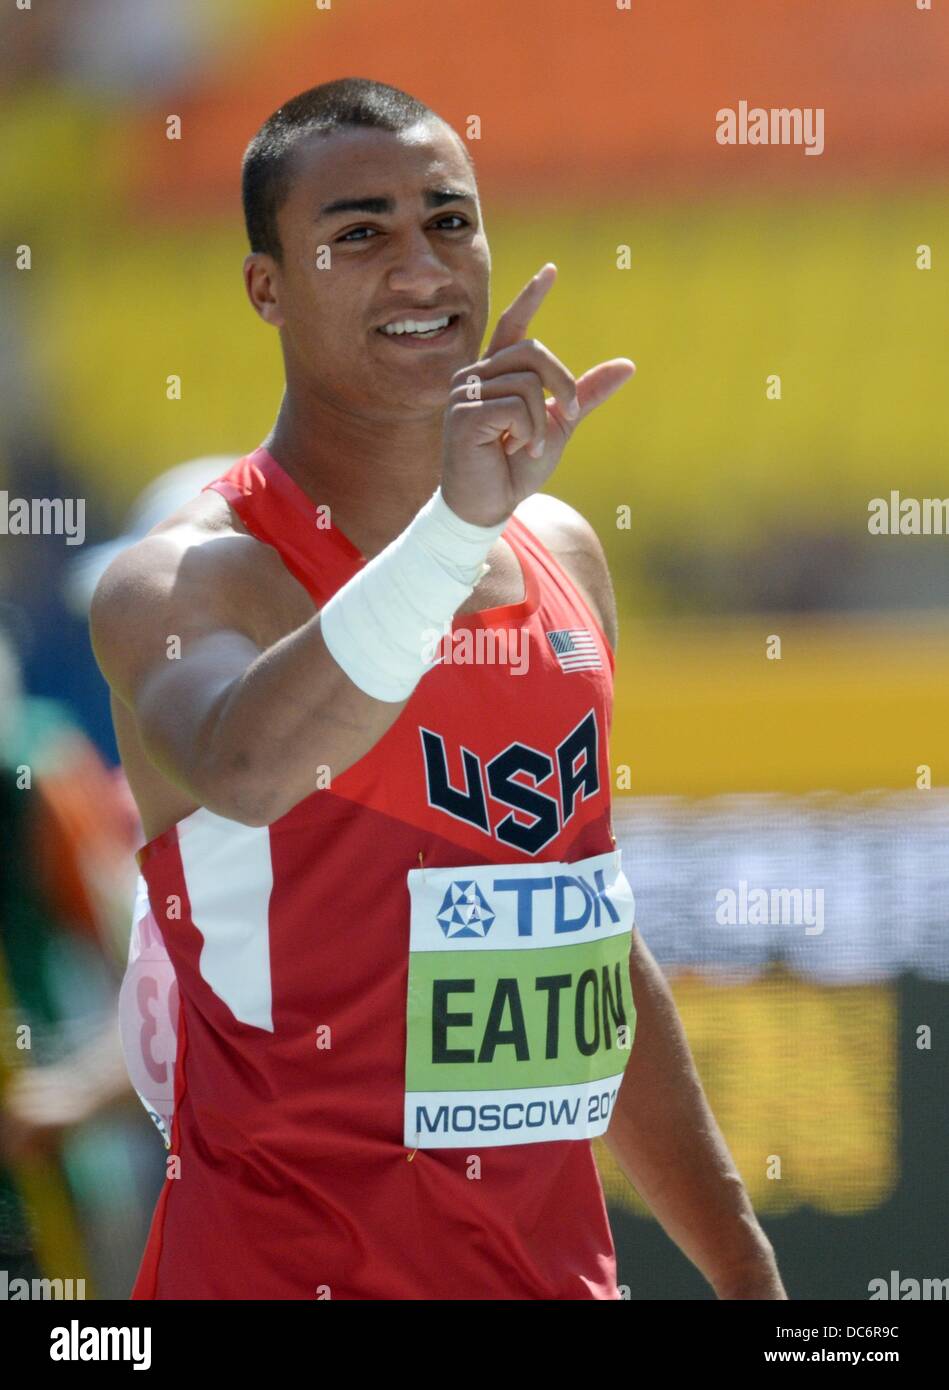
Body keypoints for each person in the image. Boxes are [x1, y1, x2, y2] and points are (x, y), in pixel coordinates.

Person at [90, 77, 786, 1300]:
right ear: (267, 288)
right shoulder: (188, 577)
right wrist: (456, 526)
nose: (419, 267)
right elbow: (251, 770)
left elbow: (587, 942)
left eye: (447, 221)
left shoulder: (561, 552)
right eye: (358, 233)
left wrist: (748, 1278)